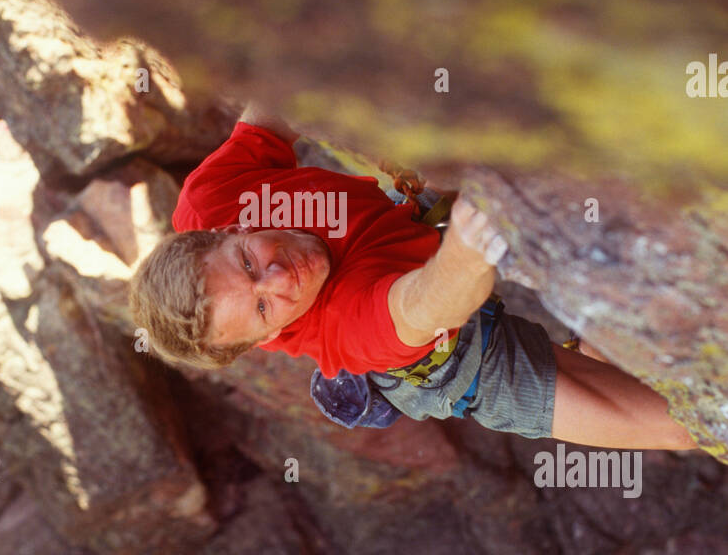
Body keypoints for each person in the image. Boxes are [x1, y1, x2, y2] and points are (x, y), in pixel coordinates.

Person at [128, 100, 697, 452]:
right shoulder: (348, 330)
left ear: (225, 231)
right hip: (451, 361)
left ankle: (595, 344)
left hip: (412, 232)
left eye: (248, 262)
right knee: (683, 427)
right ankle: (593, 350)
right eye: (262, 309)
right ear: (264, 340)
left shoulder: (211, 198)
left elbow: (273, 109)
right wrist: (474, 234)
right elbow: (427, 305)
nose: (279, 277)